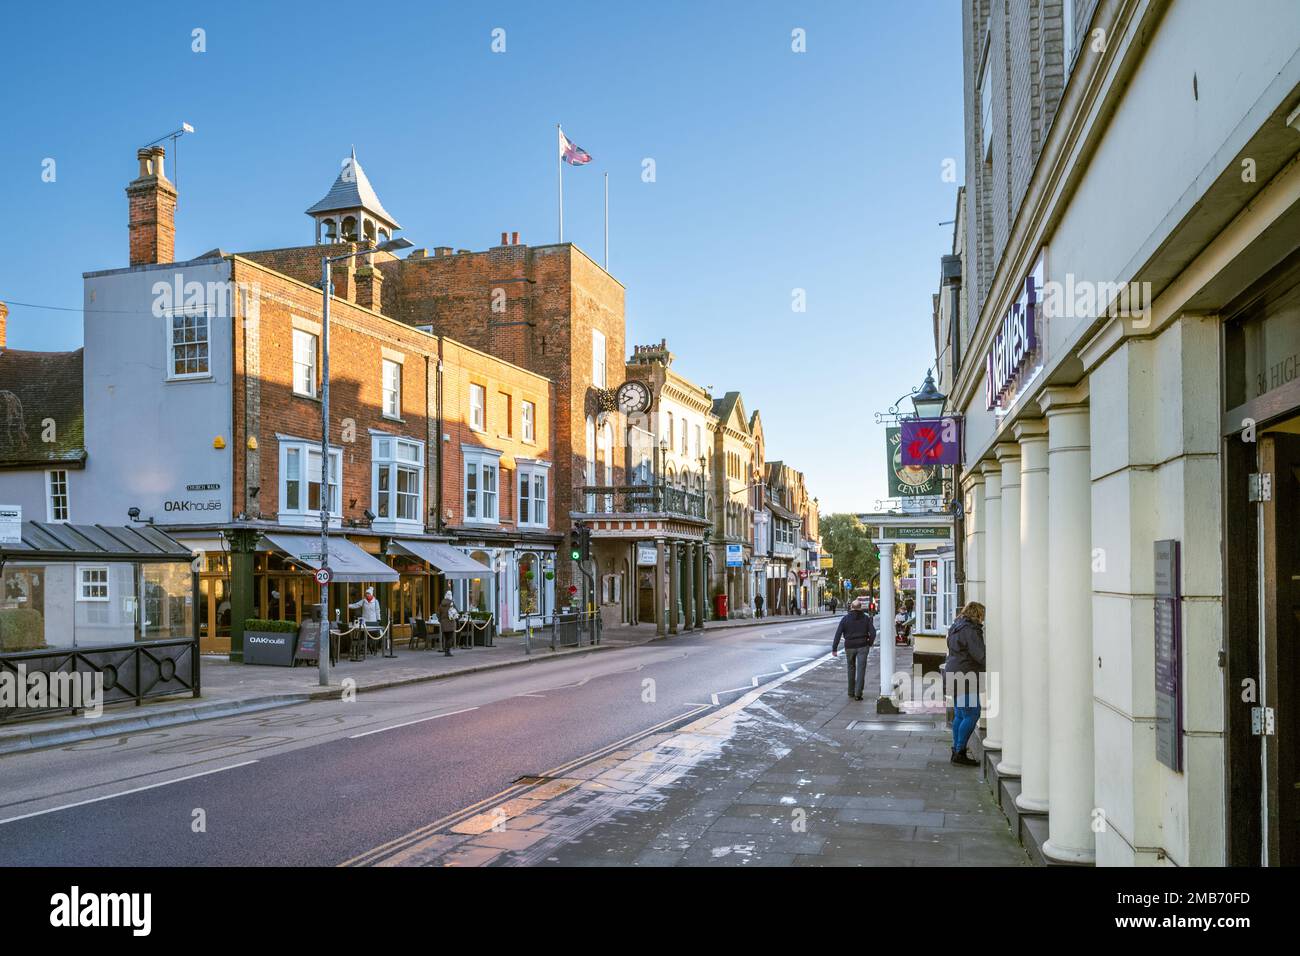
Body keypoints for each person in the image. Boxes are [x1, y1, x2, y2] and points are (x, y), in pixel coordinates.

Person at [944, 601, 986, 766]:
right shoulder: (970, 630)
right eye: (982, 616)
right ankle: (959, 751)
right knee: (972, 713)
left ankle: (956, 749)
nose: (983, 620)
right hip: (965, 674)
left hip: (954, 671)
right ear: (977, 614)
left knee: (961, 714)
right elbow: (979, 654)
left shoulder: (956, 627)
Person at [831, 596, 876, 701]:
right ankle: (858, 694)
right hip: (862, 646)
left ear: (851, 607)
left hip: (849, 646)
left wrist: (834, 648)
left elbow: (838, 634)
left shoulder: (845, 619)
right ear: (860, 607)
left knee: (850, 668)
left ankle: (850, 691)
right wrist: (869, 643)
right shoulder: (866, 618)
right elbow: (873, 633)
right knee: (861, 669)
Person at [349, 586, 384, 654]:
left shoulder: (376, 602)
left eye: (368, 594)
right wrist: (348, 605)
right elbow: (356, 605)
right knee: (362, 634)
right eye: (366, 594)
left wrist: (378, 619)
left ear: (371, 594)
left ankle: (374, 648)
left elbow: (377, 611)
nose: (367, 595)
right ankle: (361, 647)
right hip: (365, 621)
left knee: (373, 635)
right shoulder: (364, 601)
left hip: (373, 621)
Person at [438, 588, 458, 657]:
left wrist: (440, 620)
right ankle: (447, 651)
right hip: (450, 623)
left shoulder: (441, 603)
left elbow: (438, 613)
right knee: (450, 638)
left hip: (443, 623)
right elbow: (456, 612)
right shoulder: (451, 603)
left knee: (446, 638)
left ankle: (446, 650)